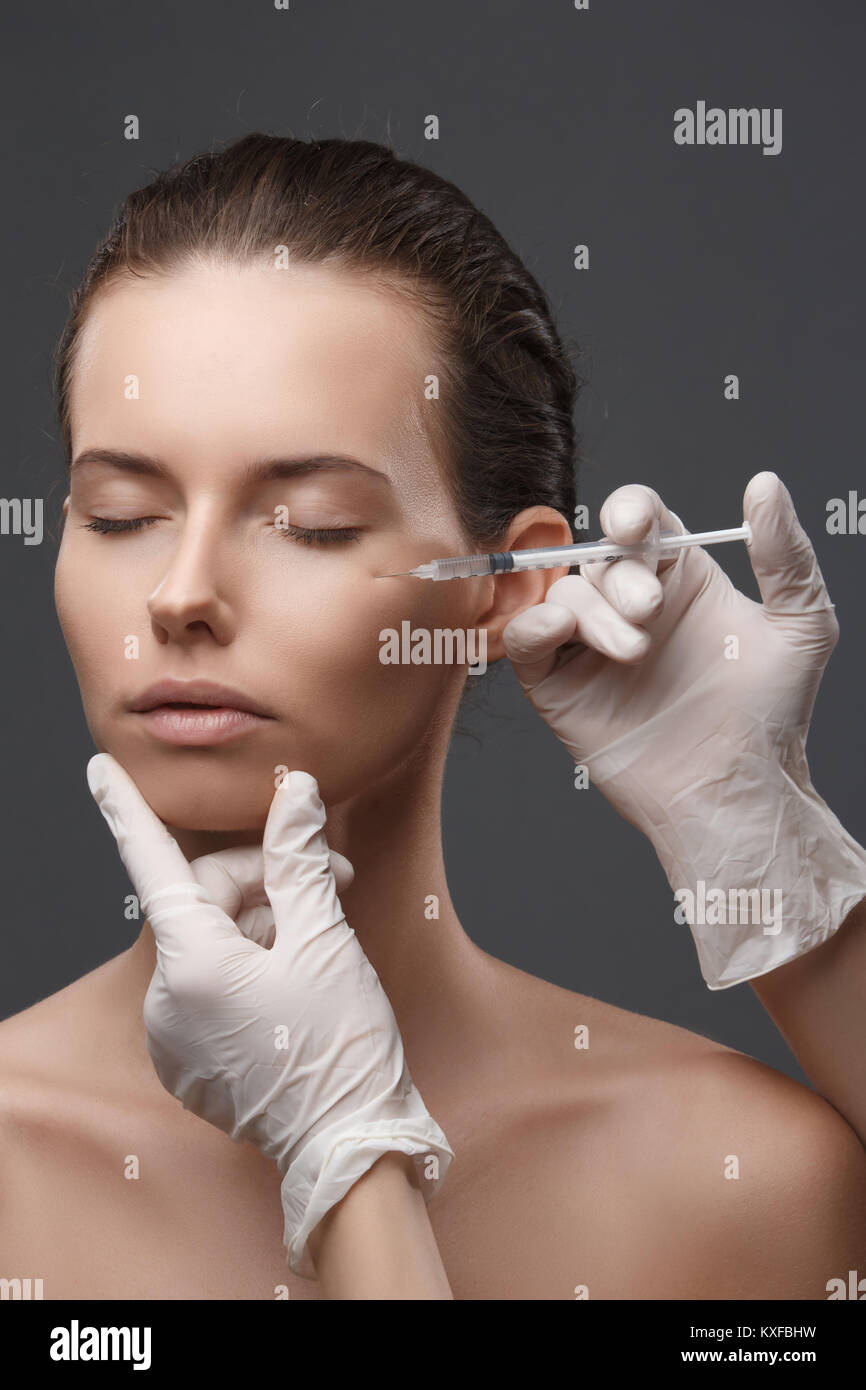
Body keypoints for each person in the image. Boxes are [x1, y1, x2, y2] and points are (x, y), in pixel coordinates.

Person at [1, 133, 864, 1300]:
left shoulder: (738, 1185)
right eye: (117, 514)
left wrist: (778, 867)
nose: (180, 593)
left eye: (306, 522)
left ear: (503, 585)